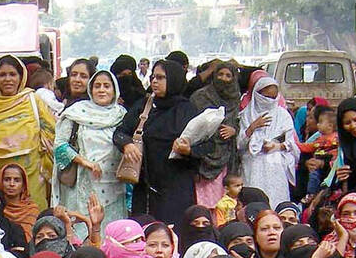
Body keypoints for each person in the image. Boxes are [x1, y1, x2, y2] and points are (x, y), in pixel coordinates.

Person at [0, 55, 55, 212]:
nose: (7, 79)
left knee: (34, 223)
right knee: (0, 225)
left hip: (32, 177)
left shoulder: (33, 100)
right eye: (2, 75)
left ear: (21, 77)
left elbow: (51, 133)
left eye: (12, 74)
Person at [115, 59, 196, 225]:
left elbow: (206, 145)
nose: (154, 81)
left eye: (160, 77)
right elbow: (120, 132)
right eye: (153, 77)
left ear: (173, 79)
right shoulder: (145, 106)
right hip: (146, 187)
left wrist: (188, 150)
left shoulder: (187, 110)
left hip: (176, 187)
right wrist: (127, 144)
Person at [54, 70, 127, 230]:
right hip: (83, 182)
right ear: (90, 90)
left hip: (114, 184)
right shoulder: (77, 112)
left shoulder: (122, 115)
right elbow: (59, 144)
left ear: (114, 90)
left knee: (112, 230)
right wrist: (85, 162)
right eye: (97, 86)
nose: (102, 90)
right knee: (83, 230)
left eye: (107, 86)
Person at [185, 60, 241, 209]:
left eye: (228, 75)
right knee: (204, 202)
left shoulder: (235, 98)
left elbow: (238, 122)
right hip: (204, 156)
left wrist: (233, 131)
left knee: (224, 202)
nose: (223, 78)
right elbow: (192, 126)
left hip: (226, 158)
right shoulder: (200, 97)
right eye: (220, 74)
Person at [238, 76, 298, 208]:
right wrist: (252, 128)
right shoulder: (246, 115)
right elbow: (239, 145)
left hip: (275, 169)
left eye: (273, 97)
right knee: (254, 204)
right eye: (266, 97)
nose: (269, 101)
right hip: (252, 167)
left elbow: (292, 144)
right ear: (257, 95)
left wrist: (277, 146)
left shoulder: (283, 115)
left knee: (276, 203)